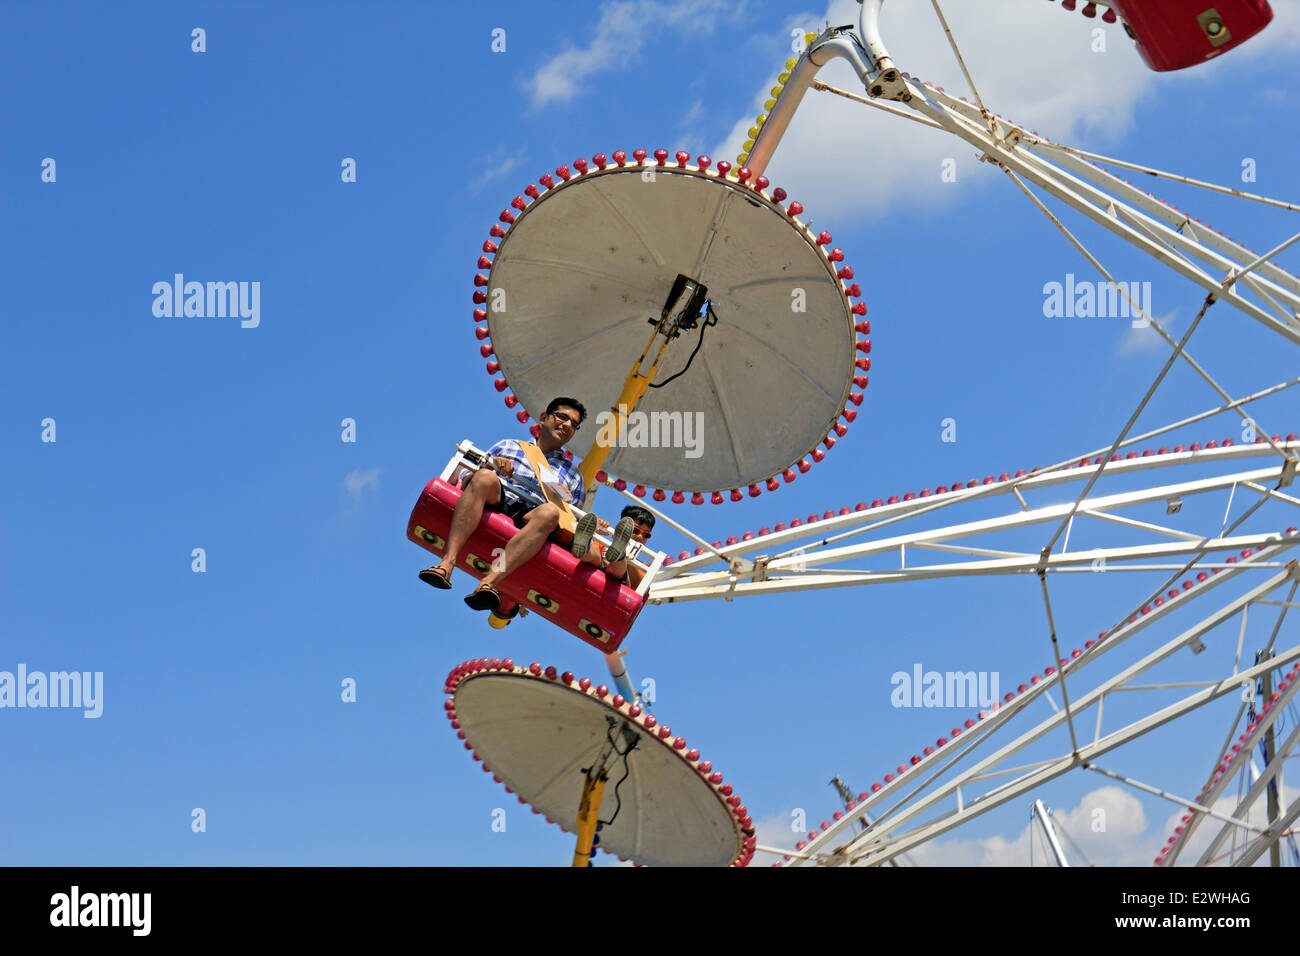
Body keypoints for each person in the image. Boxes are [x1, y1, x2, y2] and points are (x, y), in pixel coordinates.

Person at [419, 397, 586, 613]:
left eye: (574, 424)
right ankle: (446, 563)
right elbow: (470, 477)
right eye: (562, 417)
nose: (567, 425)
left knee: (550, 513)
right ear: (544, 418)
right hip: (500, 497)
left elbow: (570, 521)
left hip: (534, 518)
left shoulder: (573, 476)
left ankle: (489, 582)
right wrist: (494, 465)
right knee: (484, 478)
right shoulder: (509, 446)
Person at [570, 505, 655, 590]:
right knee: (594, 551)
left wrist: (627, 558)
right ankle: (585, 541)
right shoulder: (602, 545)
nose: (640, 536)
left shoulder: (641, 565)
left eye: (646, 535)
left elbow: (640, 580)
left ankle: (620, 553)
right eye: (635, 531)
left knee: (619, 568)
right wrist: (595, 529)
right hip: (596, 566)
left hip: (618, 582)